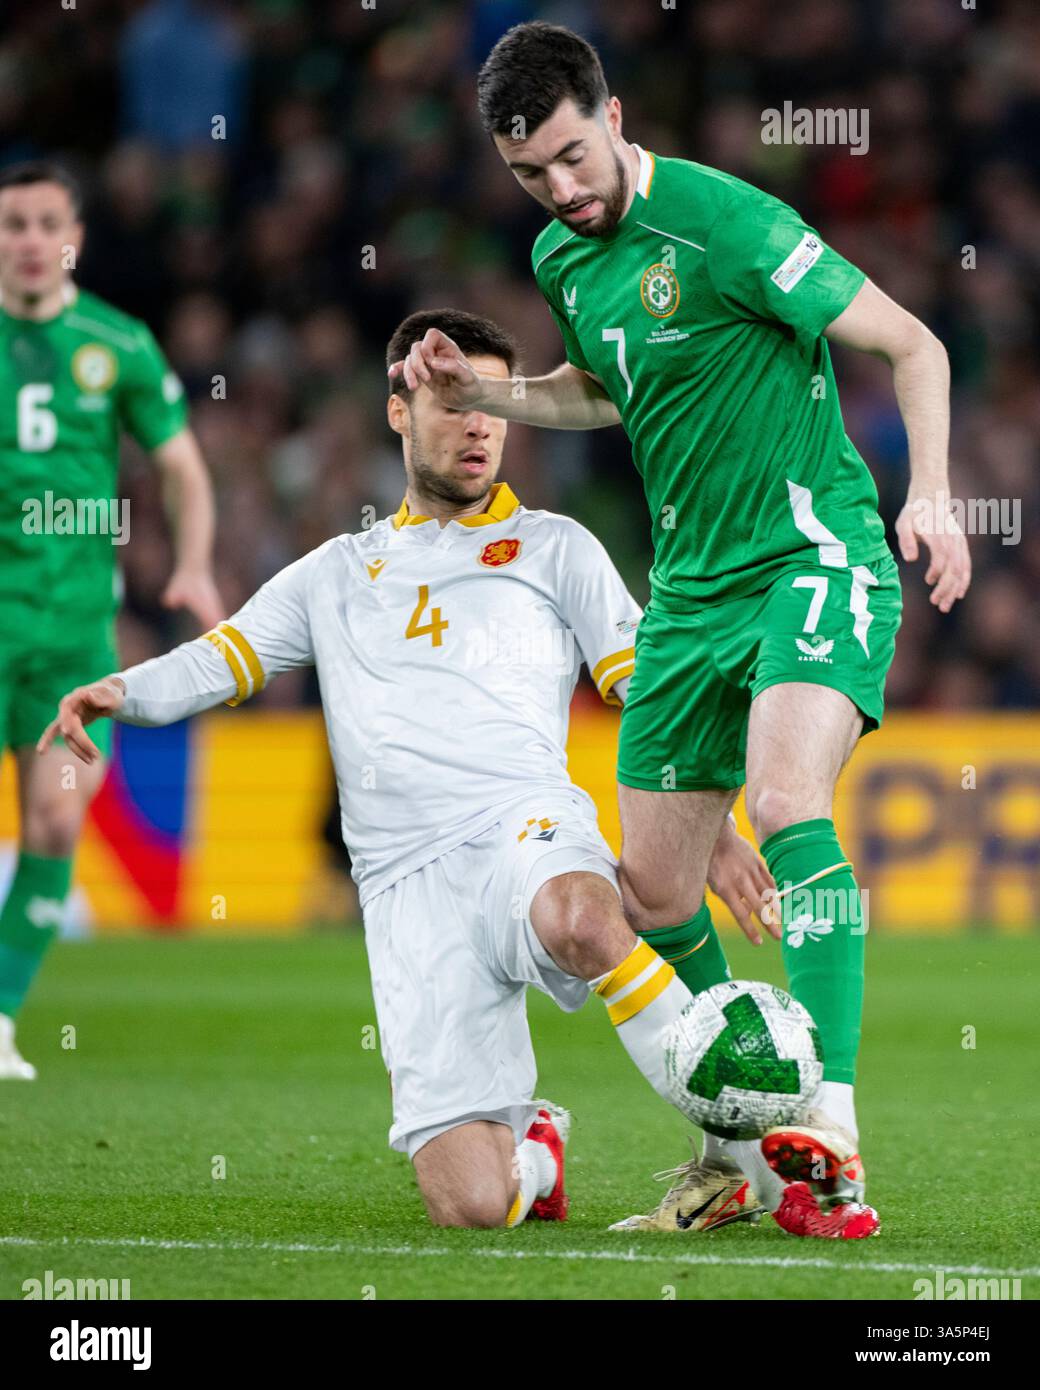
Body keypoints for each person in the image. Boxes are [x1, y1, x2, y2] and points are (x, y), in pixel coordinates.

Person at [39, 308, 832, 1235]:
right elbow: (224, 657)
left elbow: (652, 703)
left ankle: (759, 1171)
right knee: (472, 1207)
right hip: (403, 884)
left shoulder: (558, 547)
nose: (480, 424)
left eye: (492, 404)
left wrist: (716, 828)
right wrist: (116, 692)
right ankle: (537, 1147)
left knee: (583, 915)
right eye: (453, 402)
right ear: (397, 414)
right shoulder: (338, 572)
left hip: (522, 826)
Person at [390, 22, 971, 1237]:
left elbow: (909, 342)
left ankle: (833, 1125)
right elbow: (603, 388)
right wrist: (485, 391)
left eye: (568, 157)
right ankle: (739, 1151)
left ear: (611, 115)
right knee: (651, 892)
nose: (559, 190)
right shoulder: (563, 258)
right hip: (689, 598)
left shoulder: (725, 222)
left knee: (782, 804)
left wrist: (929, 493)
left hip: (810, 558)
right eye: (528, 176)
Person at [0, 161, 222, 1078]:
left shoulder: (117, 344)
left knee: (54, 826)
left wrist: (195, 563)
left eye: (46, 221)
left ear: (74, 239)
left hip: (69, 637)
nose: (28, 240)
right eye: (11, 223)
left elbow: (182, 469)